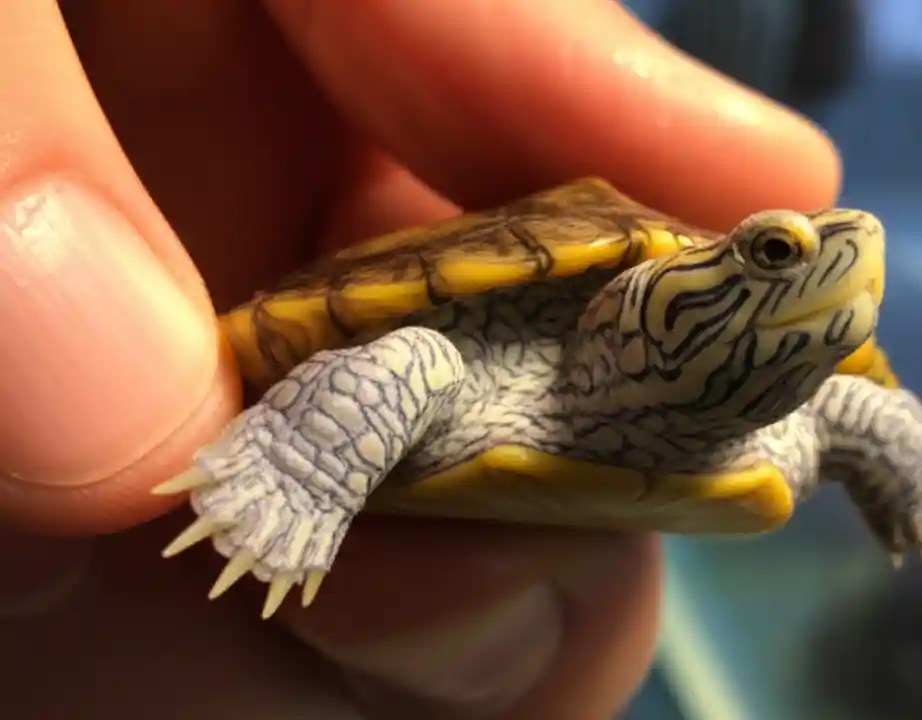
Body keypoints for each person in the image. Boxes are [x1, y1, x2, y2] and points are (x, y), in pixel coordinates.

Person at [0, 2, 839, 717]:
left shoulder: (796, 420)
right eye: (771, 254)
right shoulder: (467, 361)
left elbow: (849, 409)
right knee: (421, 371)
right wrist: (300, 474)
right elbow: (413, 358)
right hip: (310, 383)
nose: (849, 265)